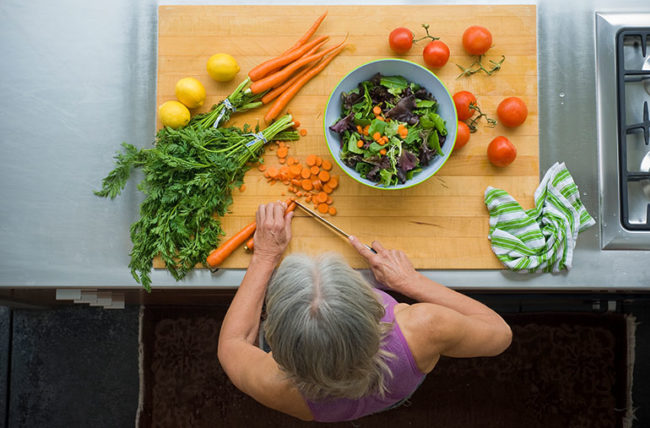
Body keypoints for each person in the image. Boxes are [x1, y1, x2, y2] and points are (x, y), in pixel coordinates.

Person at [217, 201, 513, 422]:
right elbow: (500, 333)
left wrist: (265, 257)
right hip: (396, 388)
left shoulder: (273, 383)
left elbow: (232, 343)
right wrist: (409, 282)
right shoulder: (426, 327)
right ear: (371, 306)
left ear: (275, 337)